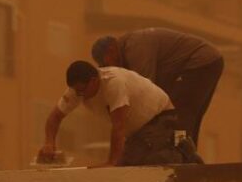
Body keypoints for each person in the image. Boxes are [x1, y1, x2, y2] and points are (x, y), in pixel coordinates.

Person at [38, 61, 201, 167]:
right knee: (128, 167)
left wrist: (111, 162)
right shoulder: (77, 91)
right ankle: (184, 151)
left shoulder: (113, 83)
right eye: (77, 91)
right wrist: (49, 143)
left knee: (157, 163)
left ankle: (187, 154)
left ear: (94, 81)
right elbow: (54, 118)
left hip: (162, 118)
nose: (81, 96)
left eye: (82, 91)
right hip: (137, 131)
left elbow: (118, 126)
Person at [91, 28, 223, 148]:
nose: (112, 69)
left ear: (111, 51)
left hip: (199, 62)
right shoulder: (127, 52)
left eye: (107, 64)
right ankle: (186, 152)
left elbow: (146, 90)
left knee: (180, 113)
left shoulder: (135, 48)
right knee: (186, 115)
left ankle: (181, 152)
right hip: (208, 61)